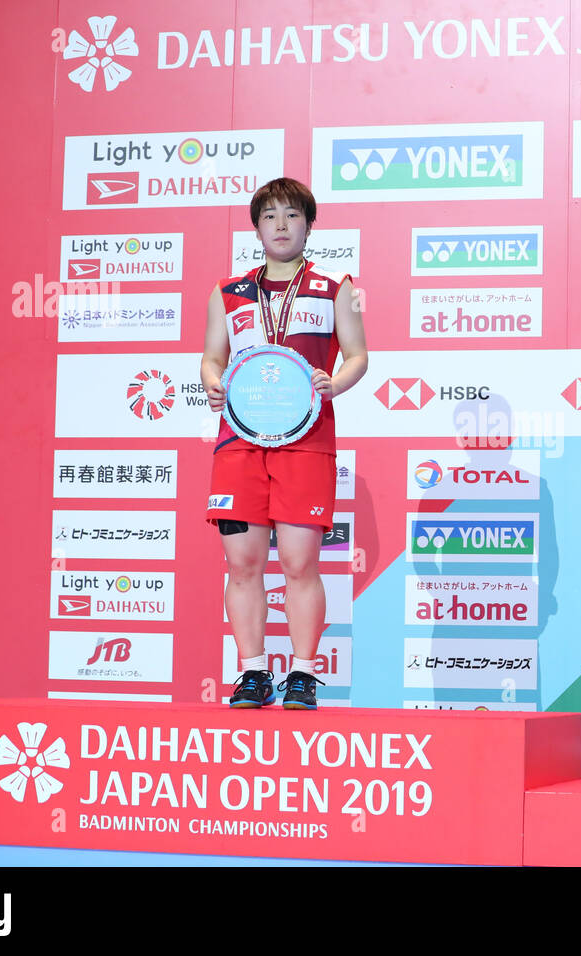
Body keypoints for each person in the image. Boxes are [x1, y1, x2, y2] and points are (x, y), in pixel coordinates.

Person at [201, 177, 367, 709]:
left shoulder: (334, 287)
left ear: (309, 225)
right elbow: (212, 357)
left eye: (292, 215)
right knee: (243, 563)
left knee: (299, 563)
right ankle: (252, 673)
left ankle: (302, 673)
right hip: (239, 443)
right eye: (269, 216)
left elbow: (358, 355)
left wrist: (334, 383)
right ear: (255, 228)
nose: (280, 225)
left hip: (306, 439)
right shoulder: (227, 292)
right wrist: (210, 379)